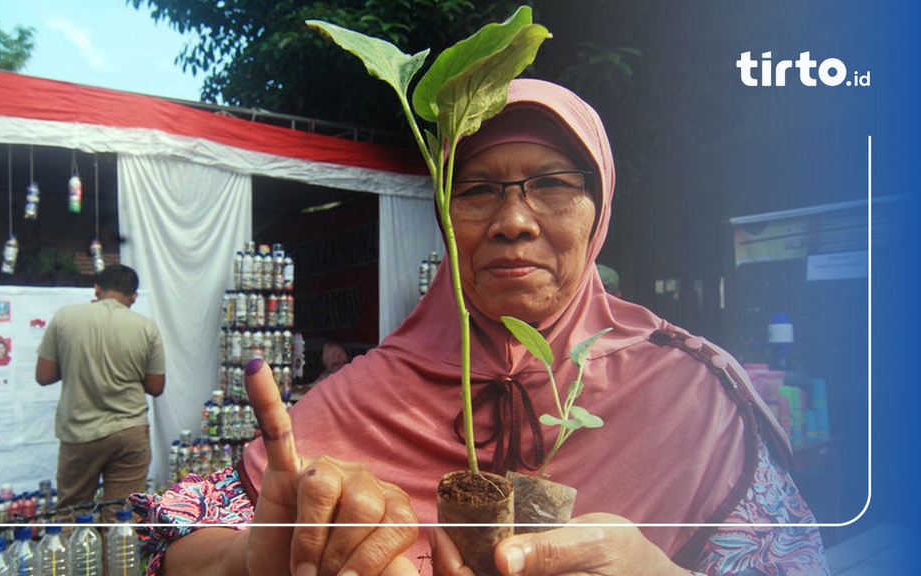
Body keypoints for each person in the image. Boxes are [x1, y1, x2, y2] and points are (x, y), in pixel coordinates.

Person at [130, 80, 827, 576]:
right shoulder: (369, 390)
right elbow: (173, 539)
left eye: (552, 183)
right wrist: (253, 561)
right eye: (477, 189)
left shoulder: (689, 393)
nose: (514, 220)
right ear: (444, 214)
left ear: (600, 208)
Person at [36, 264, 166, 524]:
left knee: (71, 514)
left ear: (97, 288)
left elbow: (44, 375)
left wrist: (77, 363)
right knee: (122, 515)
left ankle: (74, 563)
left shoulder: (64, 318)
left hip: (79, 432)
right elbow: (155, 387)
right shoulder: (146, 327)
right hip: (130, 431)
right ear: (133, 297)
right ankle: (117, 565)